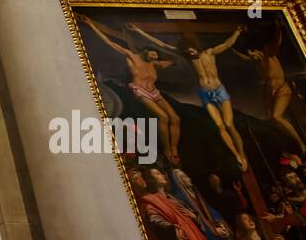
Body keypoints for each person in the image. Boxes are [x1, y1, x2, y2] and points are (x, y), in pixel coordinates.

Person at [130, 23, 248, 170]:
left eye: (190, 48)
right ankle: (236, 155)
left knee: (230, 125)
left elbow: (227, 44)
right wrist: (140, 31)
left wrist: (237, 32)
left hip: (219, 91)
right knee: (220, 126)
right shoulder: (187, 57)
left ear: (195, 45)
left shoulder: (209, 53)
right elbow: (161, 44)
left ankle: (242, 154)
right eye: (187, 50)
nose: (190, 52)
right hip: (205, 93)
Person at [79, 15, 181, 162]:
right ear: (145, 51)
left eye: (156, 55)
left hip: (154, 92)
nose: (154, 56)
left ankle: (174, 148)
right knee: (163, 117)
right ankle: (167, 149)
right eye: (152, 53)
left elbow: (174, 57)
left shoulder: (155, 63)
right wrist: (91, 25)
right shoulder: (133, 56)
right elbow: (109, 42)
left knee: (175, 118)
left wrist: (150, 38)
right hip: (140, 91)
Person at [235, 22, 305, 154]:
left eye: (253, 51)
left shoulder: (269, 55)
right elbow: (244, 57)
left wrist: (278, 28)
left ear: (259, 50)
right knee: (269, 119)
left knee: (276, 117)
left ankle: (301, 144)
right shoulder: (256, 61)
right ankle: (288, 144)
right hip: (270, 92)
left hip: (282, 90)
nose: (252, 54)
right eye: (250, 52)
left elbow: (277, 44)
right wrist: (233, 50)